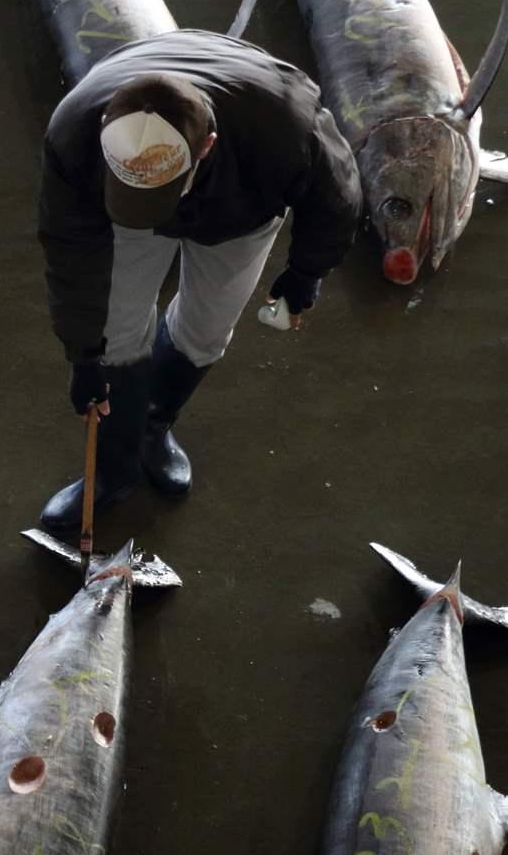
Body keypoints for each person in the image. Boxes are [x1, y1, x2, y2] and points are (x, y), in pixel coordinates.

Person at [37, 30, 363, 530]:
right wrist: (83, 356)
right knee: (113, 332)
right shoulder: (74, 132)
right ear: (105, 131)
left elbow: (337, 199)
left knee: (207, 329)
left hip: (241, 204)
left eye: (155, 197)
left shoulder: (286, 128)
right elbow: (69, 251)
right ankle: (114, 467)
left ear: (206, 146)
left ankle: (154, 425)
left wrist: (306, 270)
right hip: (124, 207)